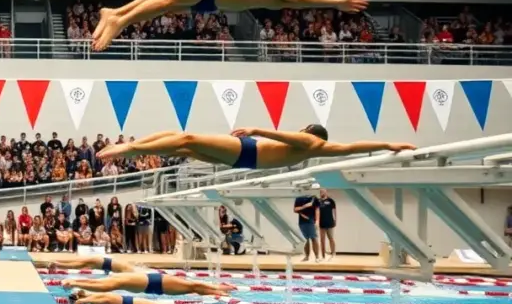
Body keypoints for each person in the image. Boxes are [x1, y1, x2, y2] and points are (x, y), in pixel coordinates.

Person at [91, 0, 367, 51]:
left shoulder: (282, 0)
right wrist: (337, 2)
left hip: (208, 1)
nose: (296, 3)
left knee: (162, 1)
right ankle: (120, 21)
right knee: (163, 2)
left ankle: (113, 12)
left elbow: (301, 2)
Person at [96, 125, 416, 171]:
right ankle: (135, 149)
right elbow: (352, 147)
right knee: (184, 147)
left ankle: (129, 150)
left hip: (246, 149)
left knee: (187, 139)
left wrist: (255, 128)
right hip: (244, 162)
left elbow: (282, 136)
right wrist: (387, 144)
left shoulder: (309, 141)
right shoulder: (318, 150)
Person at [61, 272, 233, 298]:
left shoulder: (113, 281)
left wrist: (74, 282)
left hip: (157, 282)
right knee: (192, 287)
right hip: (156, 283)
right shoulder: (113, 280)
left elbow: (96, 285)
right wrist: (75, 282)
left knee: (192, 287)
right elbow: (94, 283)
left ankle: (218, 289)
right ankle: (218, 289)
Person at [67, 288, 181, 304]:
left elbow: (106, 300)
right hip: (133, 303)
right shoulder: (93, 296)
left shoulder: (95, 298)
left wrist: (81, 301)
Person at [295, 194, 321, 262]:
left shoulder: (314, 197)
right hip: (302, 222)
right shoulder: (299, 197)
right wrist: (304, 206)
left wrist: (317, 221)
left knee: (314, 238)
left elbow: (317, 209)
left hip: (312, 221)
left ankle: (317, 257)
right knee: (305, 240)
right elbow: (295, 209)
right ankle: (306, 256)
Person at [318, 189, 338, 260]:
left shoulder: (331, 201)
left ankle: (333, 252)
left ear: (326, 192)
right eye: (320, 192)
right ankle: (323, 255)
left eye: (323, 192)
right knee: (322, 240)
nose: (321, 193)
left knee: (331, 238)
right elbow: (316, 212)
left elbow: (334, 211)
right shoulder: (318, 201)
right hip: (321, 223)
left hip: (330, 222)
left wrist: (335, 220)